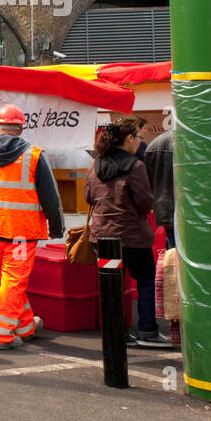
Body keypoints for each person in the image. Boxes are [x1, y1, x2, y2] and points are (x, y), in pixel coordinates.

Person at [0, 104, 64, 349]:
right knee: (13, 282)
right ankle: (1, 333)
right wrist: (57, 227)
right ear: (20, 127)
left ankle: (25, 325)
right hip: (21, 231)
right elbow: (51, 197)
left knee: (6, 281)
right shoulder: (34, 155)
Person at [86, 118, 171, 347]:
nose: (140, 143)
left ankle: (117, 333)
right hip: (132, 237)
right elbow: (144, 203)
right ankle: (147, 332)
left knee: (111, 285)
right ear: (130, 138)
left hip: (102, 237)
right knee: (145, 280)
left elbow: (88, 197)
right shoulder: (136, 166)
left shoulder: (95, 165)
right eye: (140, 138)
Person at [144, 128, 175, 250]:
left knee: (172, 248)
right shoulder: (191, 141)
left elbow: (147, 180)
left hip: (164, 208)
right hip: (189, 211)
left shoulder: (155, 143)